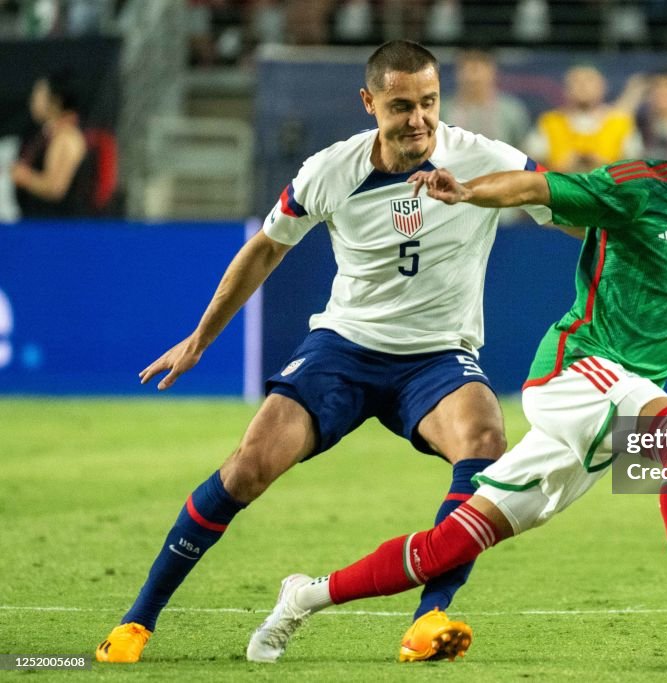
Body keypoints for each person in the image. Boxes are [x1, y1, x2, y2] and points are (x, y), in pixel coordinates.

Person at [246, 85, 667, 662]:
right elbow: (538, 184)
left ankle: (304, 595)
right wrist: (467, 191)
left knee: (449, 545)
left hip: (619, 403)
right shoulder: (638, 189)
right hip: (577, 372)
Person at [95, 39, 553, 665]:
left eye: (428, 102)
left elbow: (571, 205)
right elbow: (264, 248)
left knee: (484, 443)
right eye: (400, 106)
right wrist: (201, 337)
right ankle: (136, 622)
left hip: (437, 355)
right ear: (369, 103)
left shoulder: (487, 159)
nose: (418, 119)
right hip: (345, 346)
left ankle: (429, 620)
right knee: (249, 467)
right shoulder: (329, 170)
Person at [523, 64, 643, 173]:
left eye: (589, 81)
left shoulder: (621, 123)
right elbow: (532, 162)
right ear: (566, 89)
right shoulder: (550, 122)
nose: (583, 86)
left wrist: (604, 165)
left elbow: (635, 164)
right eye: (577, 82)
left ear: (603, 86)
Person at [11, 73, 92, 217]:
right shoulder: (46, 133)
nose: (32, 101)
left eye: (38, 95)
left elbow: (55, 188)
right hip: (34, 223)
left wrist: (24, 176)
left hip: (58, 228)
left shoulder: (66, 137)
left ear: (55, 101)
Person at [441, 49, 531, 149]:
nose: (471, 77)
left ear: (492, 71)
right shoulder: (442, 109)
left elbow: (524, 151)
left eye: (476, 69)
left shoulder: (511, 110)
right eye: (465, 68)